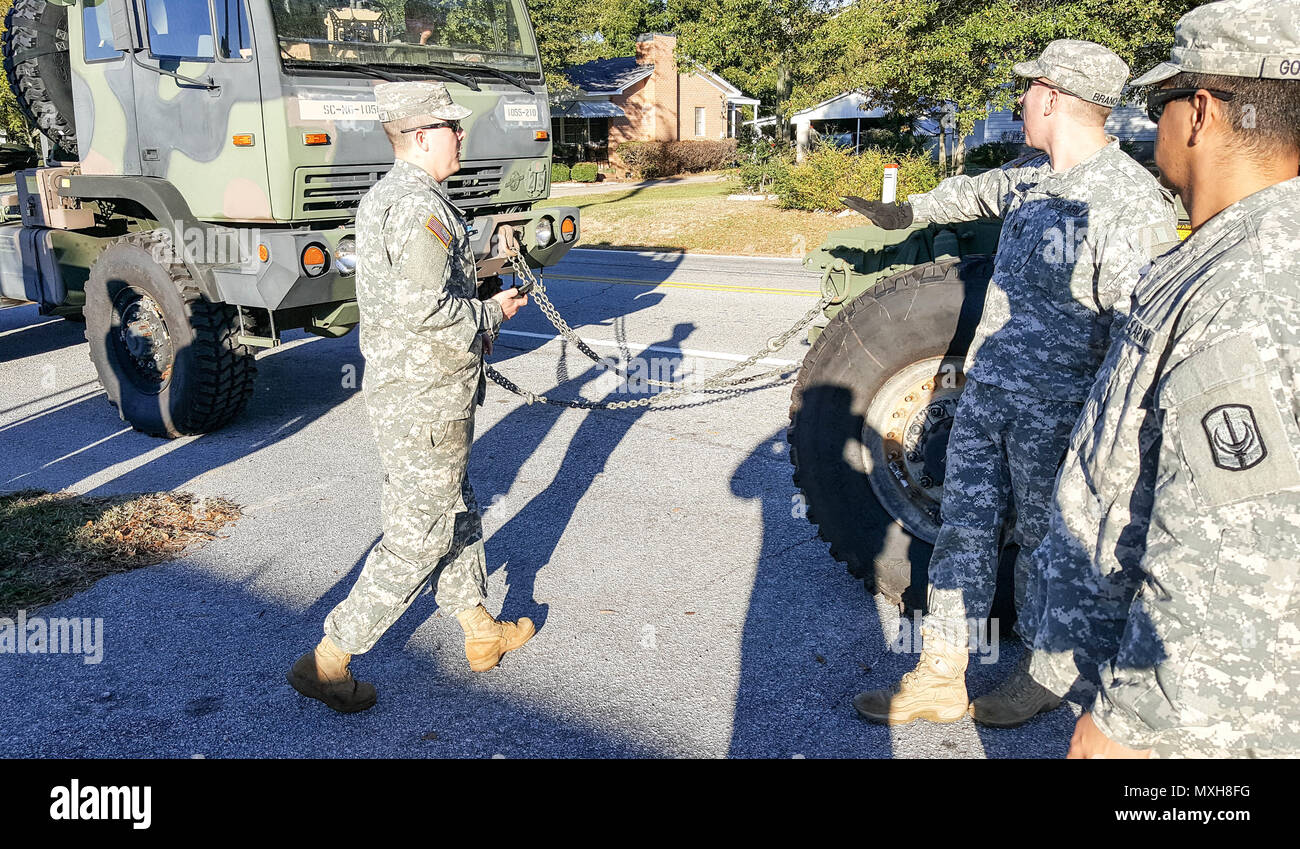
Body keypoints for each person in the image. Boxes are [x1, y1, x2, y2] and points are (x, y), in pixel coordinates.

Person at [847, 41, 1179, 727]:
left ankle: (1040, 672)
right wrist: (907, 211)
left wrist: (1106, 444)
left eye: (1029, 91)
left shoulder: (1126, 203)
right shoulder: (1033, 177)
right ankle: (940, 673)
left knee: (1041, 541)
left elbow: (1134, 335)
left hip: (1056, 416)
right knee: (961, 530)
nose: (1019, 100)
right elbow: (972, 192)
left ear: (1054, 97)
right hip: (987, 396)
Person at [1023, 0, 1300, 758]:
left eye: (1160, 104)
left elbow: (1228, 546)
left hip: (1206, 725)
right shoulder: (1248, 247)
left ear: (1201, 113)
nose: (1152, 128)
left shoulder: (1244, 282)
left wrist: (1131, 722)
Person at [287, 81, 533, 714]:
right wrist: (492, 313)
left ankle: (480, 631)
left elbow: (411, 292)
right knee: (422, 534)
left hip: (421, 392)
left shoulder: (397, 198)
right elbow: (427, 310)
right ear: (421, 137)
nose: (462, 138)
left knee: (456, 508)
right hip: (424, 397)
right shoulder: (417, 207)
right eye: (452, 129)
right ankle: (330, 658)